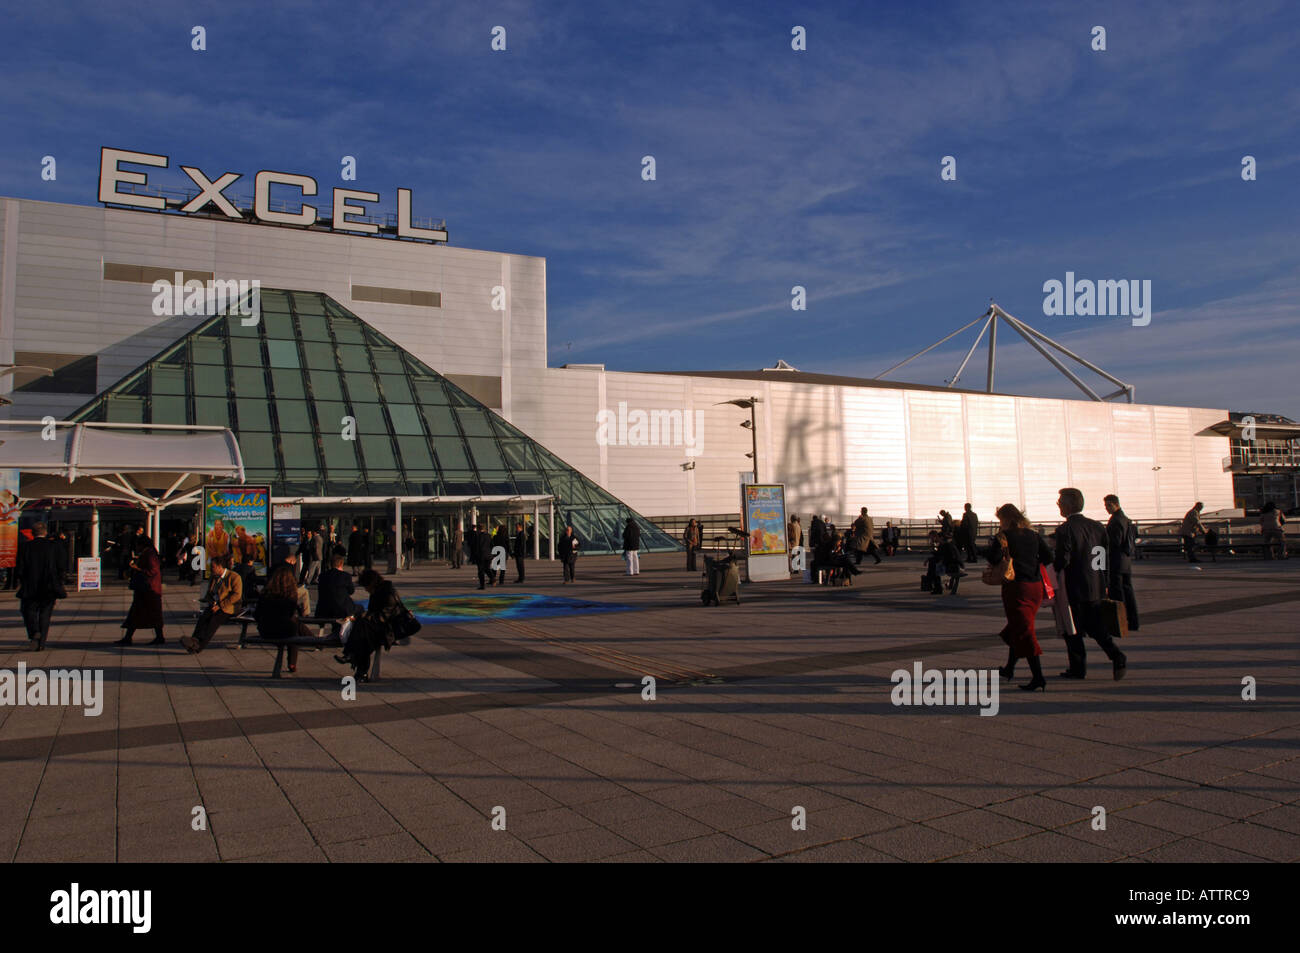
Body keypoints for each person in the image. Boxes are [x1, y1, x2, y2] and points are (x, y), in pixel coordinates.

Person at [1055, 487, 1128, 680]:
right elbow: (1103, 557)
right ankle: (1116, 654)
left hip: (1074, 585)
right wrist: (1104, 581)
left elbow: (1063, 560)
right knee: (1096, 626)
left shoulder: (1065, 530)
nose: (1058, 505)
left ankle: (1078, 667)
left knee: (1072, 628)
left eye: (1060, 502)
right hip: (1095, 584)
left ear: (1069, 505)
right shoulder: (1097, 526)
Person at [984, 504, 1053, 691]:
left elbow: (994, 558)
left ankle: (1038, 677)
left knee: (1023, 632)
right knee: (1019, 627)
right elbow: (1048, 558)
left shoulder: (1004, 537)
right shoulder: (1033, 535)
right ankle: (1009, 669)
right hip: (1035, 587)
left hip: (1016, 587)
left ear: (1005, 519)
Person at [337, 569, 402, 682]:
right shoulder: (377, 592)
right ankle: (359, 669)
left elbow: (385, 616)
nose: (366, 590)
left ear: (371, 584)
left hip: (388, 628)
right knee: (363, 635)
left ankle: (352, 657)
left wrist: (367, 617)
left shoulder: (388, 593)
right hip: (376, 626)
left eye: (366, 587)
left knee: (363, 628)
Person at [256, 565, 319, 674]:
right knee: (294, 626)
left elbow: (257, 614)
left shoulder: (265, 594)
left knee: (294, 624)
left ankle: (316, 642)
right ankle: (294, 660)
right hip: (283, 629)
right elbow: (290, 614)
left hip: (265, 629)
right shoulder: (289, 597)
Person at [180, 554, 243, 654]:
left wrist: (220, 605)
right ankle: (194, 640)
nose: (211, 569)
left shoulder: (234, 577)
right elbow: (209, 593)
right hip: (215, 605)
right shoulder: (214, 577)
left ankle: (199, 646)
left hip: (228, 607)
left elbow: (236, 595)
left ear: (220, 567)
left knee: (213, 621)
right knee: (203, 617)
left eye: (213, 567)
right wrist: (210, 601)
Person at [16, 522, 65, 650]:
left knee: (28, 610)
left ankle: (34, 632)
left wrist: (22, 580)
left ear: (32, 533)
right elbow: (61, 566)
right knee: (45, 613)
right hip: (49, 585)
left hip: (30, 586)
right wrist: (59, 581)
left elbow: (20, 569)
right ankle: (41, 643)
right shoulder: (54, 546)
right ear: (45, 532)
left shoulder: (24, 547)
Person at [115, 541, 166, 646]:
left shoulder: (150, 554)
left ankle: (158, 637)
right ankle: (129, 637)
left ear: (142, 544)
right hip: (146, 589)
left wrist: (137, 568)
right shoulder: (148, 553)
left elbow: (153, 570)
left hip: (149, 589)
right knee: (137, 613)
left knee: (147, 613)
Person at [1103, 494, 1140, 632]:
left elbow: (1114, 543)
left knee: (1117, 593)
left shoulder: (1116, 520)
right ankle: (1133, 621)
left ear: (1115, 504)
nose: (1106, 508)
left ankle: (1120, 622)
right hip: (1125, 561)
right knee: (1128, 591)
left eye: (1108, 505)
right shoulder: (1125, 519)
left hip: (1116, 561)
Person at [317, 552, 357, 619]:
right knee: (359, 609)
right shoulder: (345, 575)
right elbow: (351, 591)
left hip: (323, 610)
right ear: (341, 564)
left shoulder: (322, 576)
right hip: (341, 610)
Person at [925, 530, 964, 594]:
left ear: (941, 538)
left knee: (934, 567)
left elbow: (942, 556)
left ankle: (935, 586)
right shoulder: (946, 544)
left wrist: (931, 558)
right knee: (933, 565)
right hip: (955, 565)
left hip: (954, 566)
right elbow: (940, 555)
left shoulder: (946, 545)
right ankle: (933, 584)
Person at [473, 523, 494, 589]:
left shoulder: (477, 536)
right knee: (487, 568)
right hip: (488, 555)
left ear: (478, 529)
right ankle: (492, 578)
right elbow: (492, 545)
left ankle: (482, 585)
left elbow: (476, 546)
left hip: (481, 555)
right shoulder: (488, 535)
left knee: (481, 571)